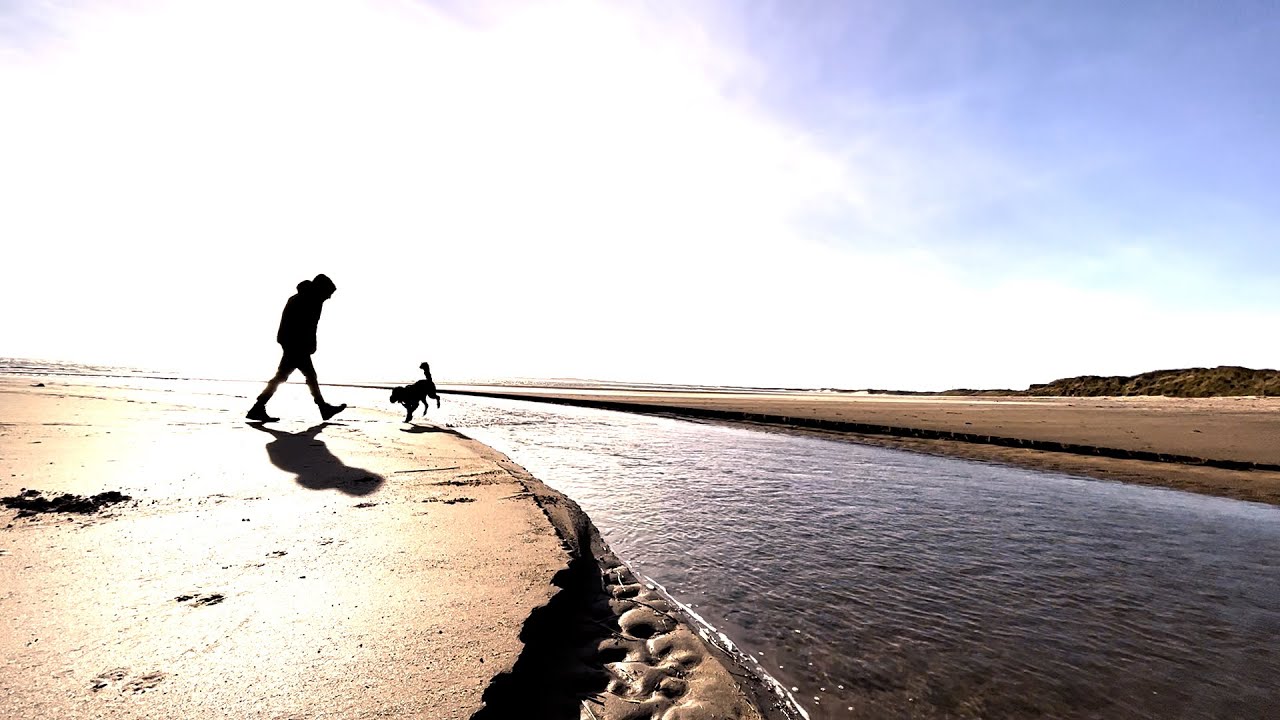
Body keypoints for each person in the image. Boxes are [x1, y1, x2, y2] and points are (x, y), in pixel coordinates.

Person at [246, 274, 347, 422]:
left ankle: (258, 407)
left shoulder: (305, 298)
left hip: (294, 344)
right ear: (321, 289)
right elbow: (304, 326)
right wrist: (306, 344)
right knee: (304, 376)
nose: (329, 297)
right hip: (296, 344)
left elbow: (307, 326)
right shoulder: (308, 300)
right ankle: (323, 408)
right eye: (329, 293)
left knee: (289, 376)